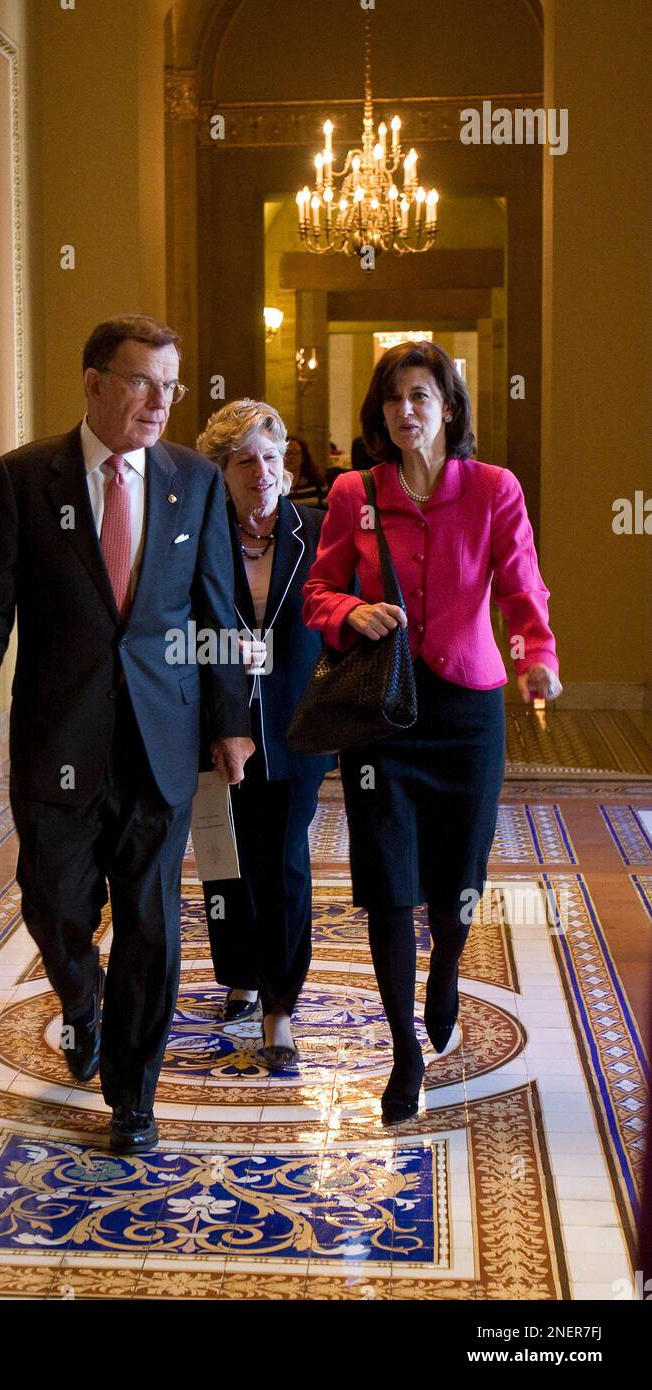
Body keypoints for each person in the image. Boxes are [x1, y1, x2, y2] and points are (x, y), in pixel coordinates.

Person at [0, 315, 254, 1154]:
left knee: (152, 926)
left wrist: (231, 722)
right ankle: (79, 1003)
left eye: (172, 385)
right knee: (56, 907)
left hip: (162, 739)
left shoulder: (193, 481)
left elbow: (217, 609)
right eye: (141, 382)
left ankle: (134, 1097)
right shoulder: (23, 478)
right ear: (93, 383)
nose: (161, 402)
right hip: (57, 737)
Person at [303, 340, 561, 1125]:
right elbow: (317, 589)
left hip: (466, 715)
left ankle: (446, 964)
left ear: (449, 406)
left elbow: (521, 586)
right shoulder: (356, 492)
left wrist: (538, 658)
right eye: (392, 400)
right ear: (380, 415)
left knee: (454, 893)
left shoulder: (492, 489)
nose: (405, 411)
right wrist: (350, 611)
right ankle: (404, 1052)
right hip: (384, 715)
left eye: (420, 396)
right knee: (387, 888)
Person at [196, 401, 335, 1069]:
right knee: (227, 860)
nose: (263, 471)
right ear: (221, 471)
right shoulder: (198, 535)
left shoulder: (319, 530)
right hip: (214, 723)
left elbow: (344, 618)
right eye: (246, 460)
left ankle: (281, 1005)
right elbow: (176, 625)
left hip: (294, 721)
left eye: (272, 457)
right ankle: (242, 974)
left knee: (284, 859)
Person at [284, 435, 325, 505]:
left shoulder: (316, 484)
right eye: (286, 453)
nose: (290, 457)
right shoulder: (274, 485)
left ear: (303, 457)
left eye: (294, 452)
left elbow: (326, 512)